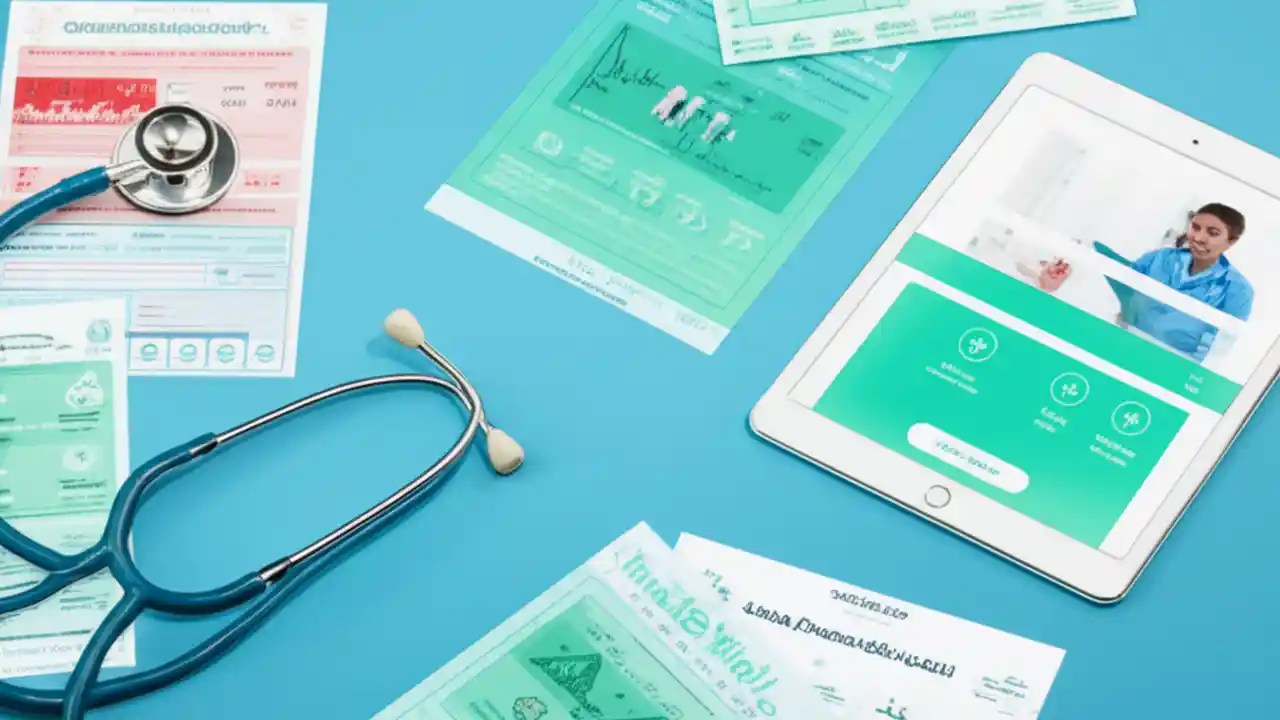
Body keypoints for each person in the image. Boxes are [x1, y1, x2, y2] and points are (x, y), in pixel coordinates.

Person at [1120, 203, 1253, 360]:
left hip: (1174, 365)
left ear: (1231, 241)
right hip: (1125, 343)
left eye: (1213, 233)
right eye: (1195, 228)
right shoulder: (1159, 258)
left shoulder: (1237, 289)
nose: (1198, 238)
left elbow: (1219, 349)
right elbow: (1120, 292)